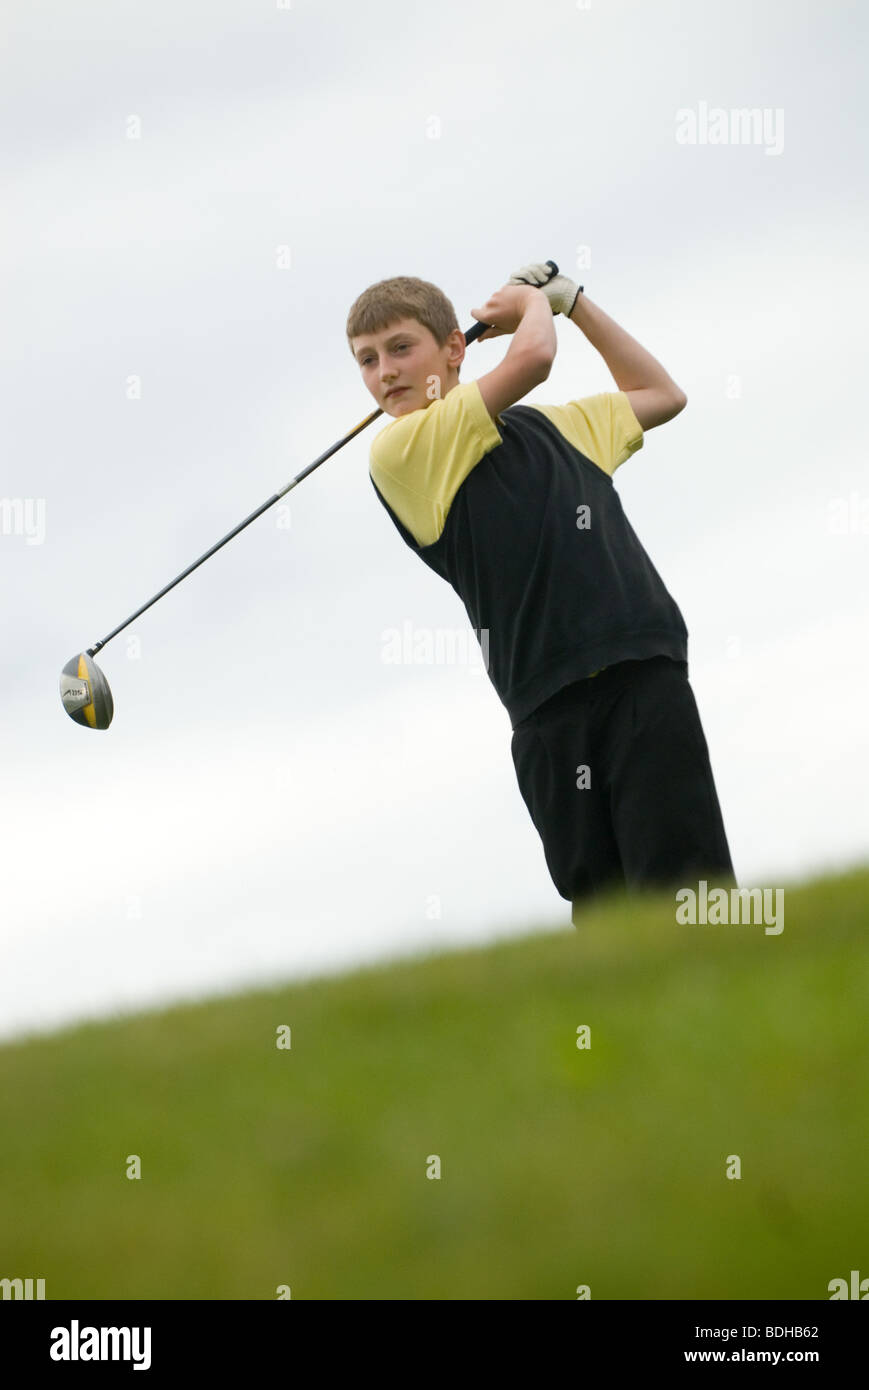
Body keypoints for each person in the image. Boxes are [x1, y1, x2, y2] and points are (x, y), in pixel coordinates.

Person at [346, 262, 736, 924]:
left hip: (642, 671)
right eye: (366, 359)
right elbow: (532, 358)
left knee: (687, 892)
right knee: (605, 914)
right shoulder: (401, 451)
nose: (384, 371)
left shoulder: (556, 429)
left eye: (400, 347)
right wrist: (536, 305)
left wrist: (575, 302)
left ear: (454, 348)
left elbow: (661, 393)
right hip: (545, 708)